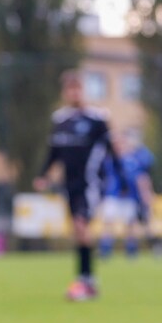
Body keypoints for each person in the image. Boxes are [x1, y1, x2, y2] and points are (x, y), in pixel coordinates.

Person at [34, 70, 114, 302]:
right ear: (65, 92)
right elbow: (54, 152)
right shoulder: (60, 120)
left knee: (81, 225)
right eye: (70, 88)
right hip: (69, 184)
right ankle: (87, 279)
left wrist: (118, 178)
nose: (74, 92)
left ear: (84, 90)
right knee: (78, 231)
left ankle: (86, 281)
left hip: (91, 182)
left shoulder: (97, 119)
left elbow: (111, 151)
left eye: (78, 88)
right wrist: (43, 175)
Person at [99, 128, 158, 260]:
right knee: (108, 222)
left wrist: (147, 193)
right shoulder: (109, 160)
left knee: (131, 224)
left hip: (129, 196)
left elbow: (142, 178)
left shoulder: (133, 160)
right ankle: (105, 250)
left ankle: (131, 251)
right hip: (113, 195)